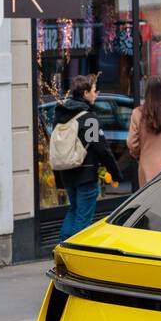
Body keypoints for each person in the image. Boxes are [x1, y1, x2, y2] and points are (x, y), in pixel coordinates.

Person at [50, 75, 121, 242]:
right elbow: (101, 148)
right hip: (86, 176)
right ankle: (73, 252)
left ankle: (62, 247)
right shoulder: (88, 118)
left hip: (66, 173)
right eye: (94, 91)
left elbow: (56, 147)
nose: (96, 94)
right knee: (83, 219)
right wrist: (115, 173)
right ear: (85, 93)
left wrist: (59, 179)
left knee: (73, 210)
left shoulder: (60, 115)